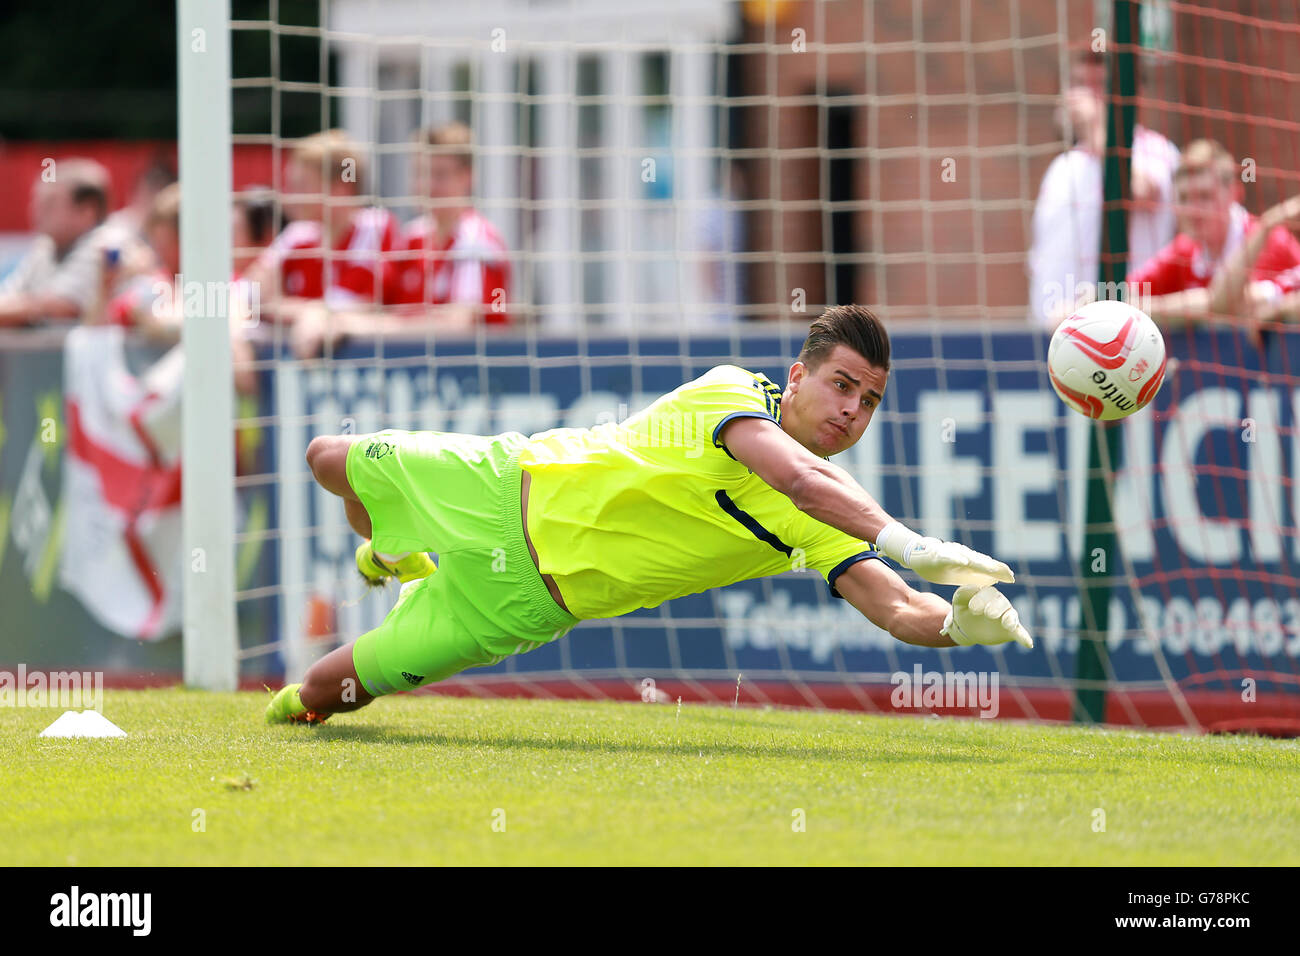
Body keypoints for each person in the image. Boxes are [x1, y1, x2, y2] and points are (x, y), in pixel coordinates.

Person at [266, 305, 1033, 724]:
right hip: (506, 486)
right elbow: (794, 476)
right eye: (841, 385)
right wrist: (909, 540)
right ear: (797, 375)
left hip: (519, 604)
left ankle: (394, 569)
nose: (852, 409)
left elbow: (898, 607)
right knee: (328, 458)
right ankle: (394, 555)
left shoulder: (830, 514)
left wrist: (960, 624)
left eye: (869, 400)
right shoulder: (734, 392)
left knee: (320, 697)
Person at [1027, 81, 1179, 328]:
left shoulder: (1154, 147)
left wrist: (1095, 126)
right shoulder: (1063, 164)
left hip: (1122, 330)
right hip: (1051, 334)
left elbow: (1141, 190)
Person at [1128, 139, 1300, 328]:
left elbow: (1226, 304)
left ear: (1235, 193)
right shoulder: (1185, 248)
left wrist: (1147, 309)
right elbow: (1125, 294)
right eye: (1184, 198)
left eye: (1204, 196)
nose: (1193, 209)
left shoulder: (1271, 241)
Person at [390, 121, 512, 327]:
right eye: (420, 173)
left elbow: (457, 324)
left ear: (467, 177)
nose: (427, 185)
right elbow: (372, 302)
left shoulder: (477, 240)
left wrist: (384, 327)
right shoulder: (411, 238)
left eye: (440, 175)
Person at [0, 158, 134, 327]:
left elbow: (61, 305)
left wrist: (27, 308)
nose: (35, 210)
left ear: (87, 210)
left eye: (50, 203)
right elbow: (10, 297)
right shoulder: (45, 247)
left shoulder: (109, 244)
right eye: (37, 201)